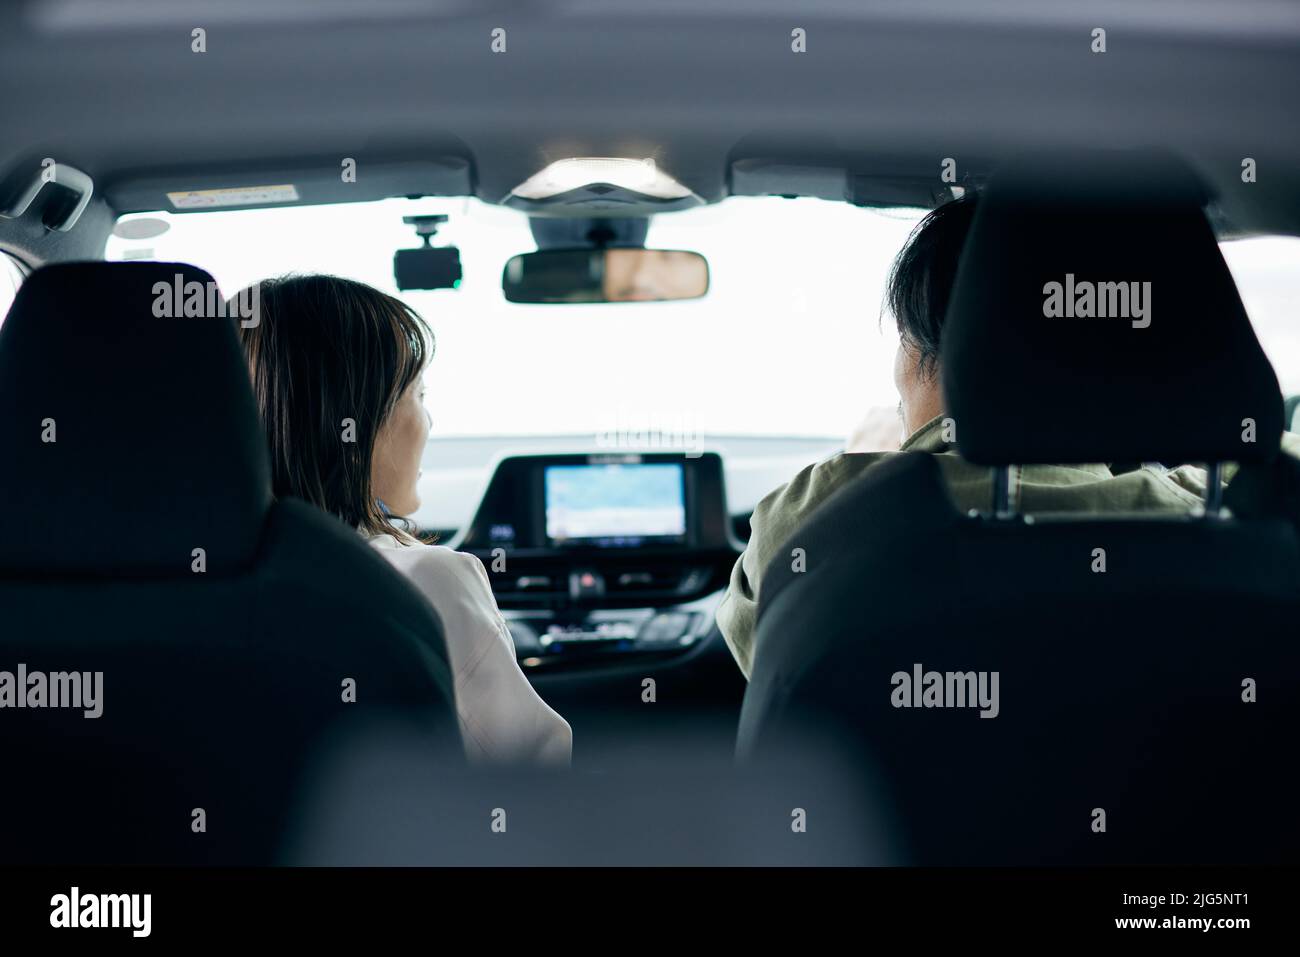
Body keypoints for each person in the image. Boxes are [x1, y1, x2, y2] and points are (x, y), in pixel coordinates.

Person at [716, 194, 1295, 679]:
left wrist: (866, 467)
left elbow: (763, 662)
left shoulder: (825, 514)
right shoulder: (1255, 527)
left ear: (928, 343)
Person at [233, 274, 572, 765]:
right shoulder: (426, 582)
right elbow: (531, 782)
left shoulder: (163, 581)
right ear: (354, 421)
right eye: (418, 393)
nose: (429, 422)